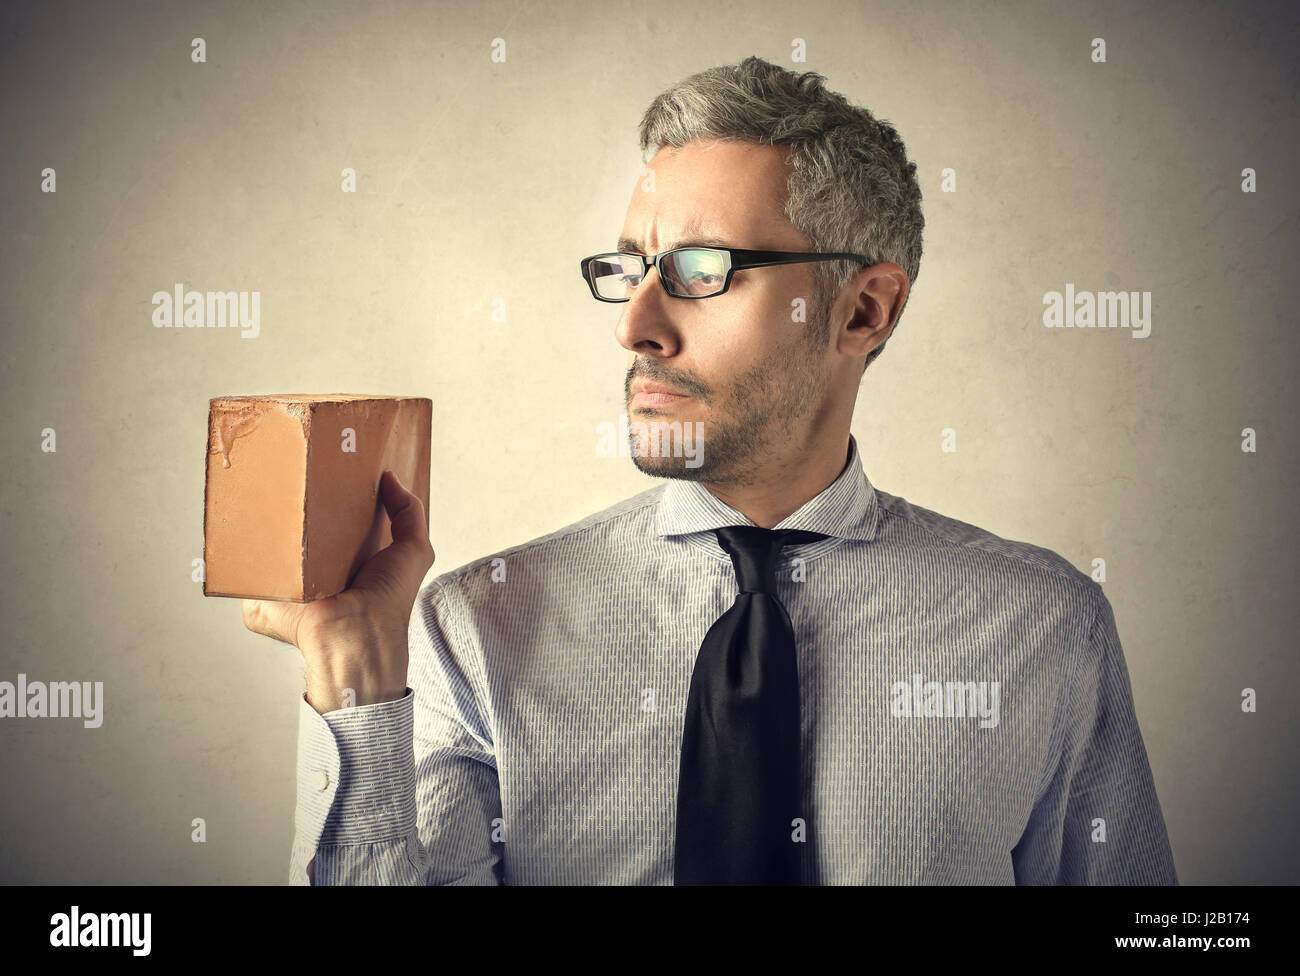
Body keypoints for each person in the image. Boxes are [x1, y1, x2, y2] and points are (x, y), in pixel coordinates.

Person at [245, 56, 1177, 885]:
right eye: (632, 266)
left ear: (862, 312)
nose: (633, 324)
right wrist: (353, 680)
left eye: (699, 268)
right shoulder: (477, 629)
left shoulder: (1046, 626)